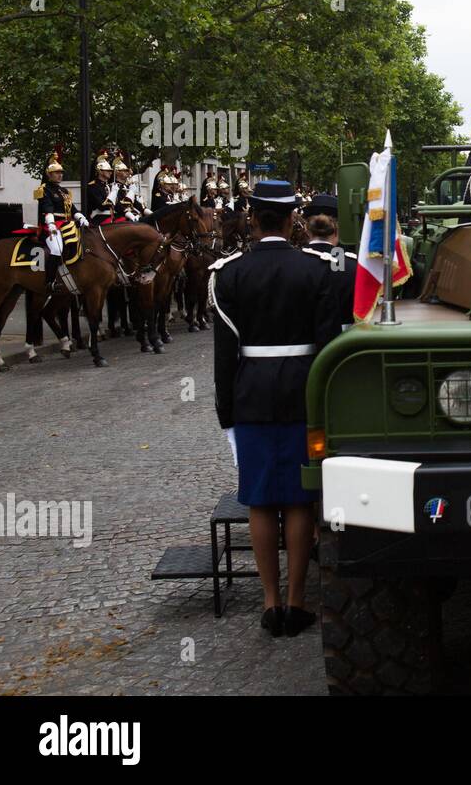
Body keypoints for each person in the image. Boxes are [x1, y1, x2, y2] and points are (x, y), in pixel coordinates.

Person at [209, 180, 341, 637]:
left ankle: (270, 605)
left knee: (260, 500)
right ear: (292, 221)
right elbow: (328, 345)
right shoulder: (316, 269)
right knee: (300, 498)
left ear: (252, 219)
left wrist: (227, 413)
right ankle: (297, 601)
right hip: (305, 390)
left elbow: (224, 355)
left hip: (252, 393)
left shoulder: (228, 273)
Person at [33, 148, 88, 289]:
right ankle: (50, 282)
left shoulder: (64, 191)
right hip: (52, 226)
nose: (60, 175)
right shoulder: (44, 189)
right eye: (57, 173)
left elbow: (72, 209)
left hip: (67, 223)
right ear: (49, 174)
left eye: (61, 173)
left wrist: (80, 216)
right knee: (56, 248)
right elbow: (47, 209)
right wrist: (51, 224)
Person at [302, 193, 356, 330]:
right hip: (347, 342)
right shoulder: (351, 264)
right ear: (337, 229)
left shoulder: (293, 263)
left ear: (307, 228)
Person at [86, 150, 118, 223]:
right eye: (107, 171)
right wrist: (113, 193)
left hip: (111, 218)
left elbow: (117, 206)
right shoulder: (93, 186)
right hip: (98, 218)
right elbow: (102, 206)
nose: (110, 173)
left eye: (110, 171)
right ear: (100, 171)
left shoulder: (109, 186)